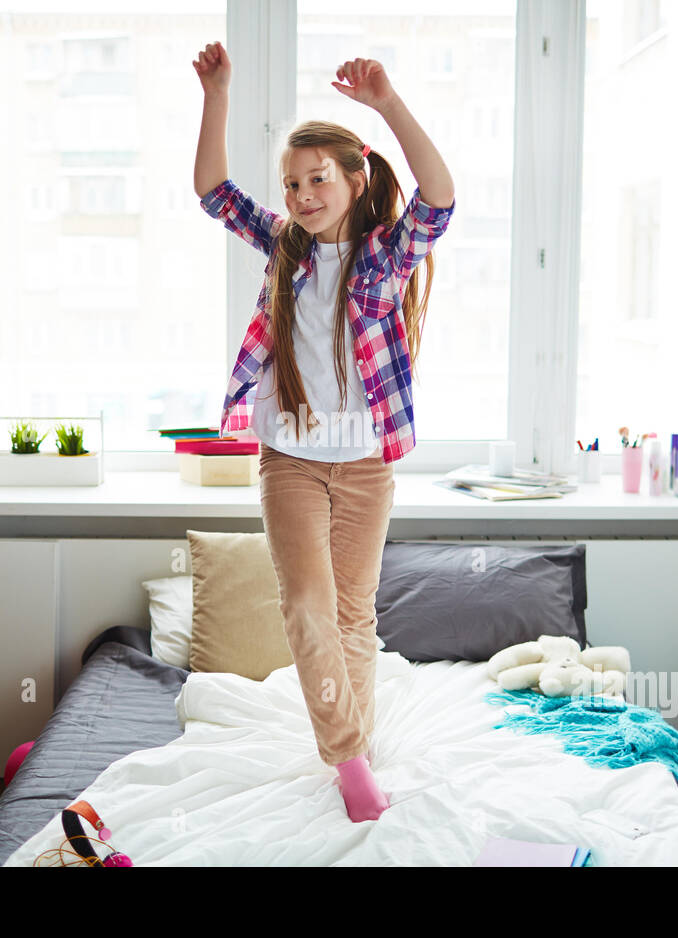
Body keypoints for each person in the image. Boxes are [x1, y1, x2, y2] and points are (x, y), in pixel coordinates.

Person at [192, 41, 455, 821]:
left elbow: (438, 198)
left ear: (353, 179)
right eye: (293, 184)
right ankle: (348, 762)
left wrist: (387, 103)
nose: (305, 195)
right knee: (306, 607)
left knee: (352, 617)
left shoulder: (381, 260)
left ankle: (357, 743)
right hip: (292, 465)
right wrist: (218, 91)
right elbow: (212, 191)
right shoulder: (283, 246)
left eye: (318, 180)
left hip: (366, 467)